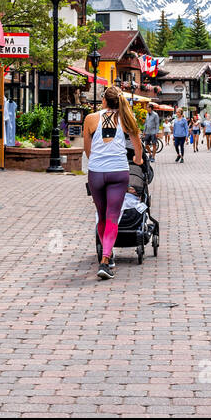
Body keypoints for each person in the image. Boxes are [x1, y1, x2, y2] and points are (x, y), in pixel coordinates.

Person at [82, 85, 143, 280]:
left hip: (97, 172)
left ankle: (108, 256)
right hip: (118, 172)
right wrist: (138, 160)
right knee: (112, 216)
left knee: (101, 215)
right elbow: (137, 145)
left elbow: (87, 149)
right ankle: (106, 259)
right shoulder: (125, 118)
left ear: (104, 100)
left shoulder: (91, 119)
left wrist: (96, 162)